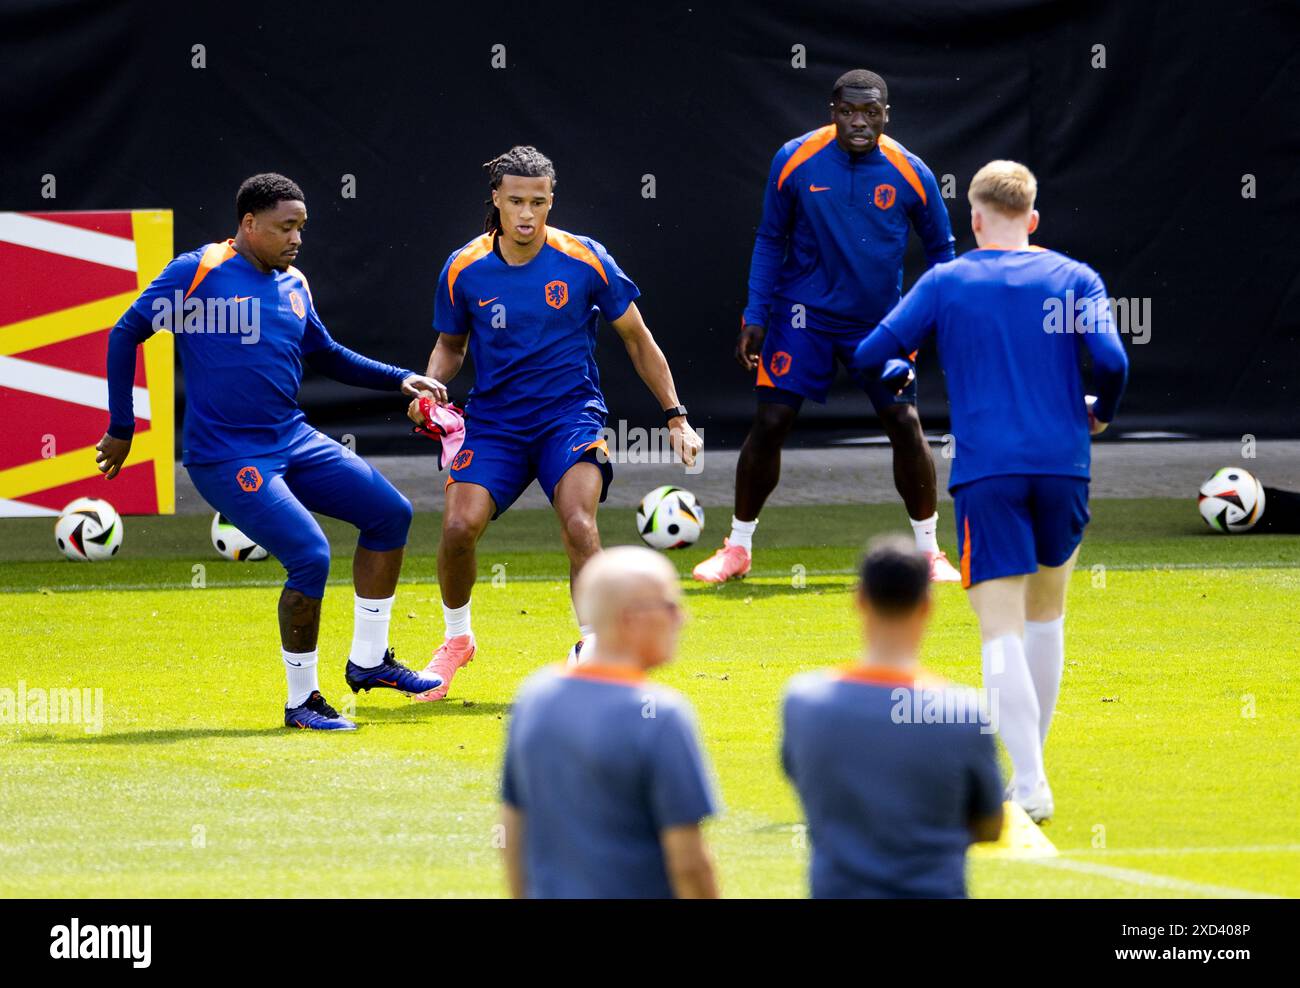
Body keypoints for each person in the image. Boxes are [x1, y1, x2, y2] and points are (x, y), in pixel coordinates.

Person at [96, 173, 445, 730]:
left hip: (293, 439)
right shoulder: (198, 271)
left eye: (302, 228)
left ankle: (369, 660)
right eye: (287, 227)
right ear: (249, 224)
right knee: (310, 556)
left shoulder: (293, 283)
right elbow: (125, 332)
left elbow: (326, 353)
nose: (297, 238)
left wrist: (400, 378)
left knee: (391, 514)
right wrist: (121, 425)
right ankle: (301, 702)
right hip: (228, 456)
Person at [852, 160, 1130, 821]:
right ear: (1032, 220)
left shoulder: (947, 280)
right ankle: (1029, 774)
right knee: (1047, 616)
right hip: (1065, 463)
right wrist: (1102, 411)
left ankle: (1030, 783)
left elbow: (870, 355)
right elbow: (1114, 361)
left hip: (989, 468)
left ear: (974, 219)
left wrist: (896, 373)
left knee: (999, 627)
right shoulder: (1074, 277)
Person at [407, 146, 703, 699]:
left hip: (571, 416)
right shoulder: (463, 267)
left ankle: (591, 647)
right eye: (515, 200)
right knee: (456, 529)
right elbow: (451, 345)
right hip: (494, 423)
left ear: (551, 202)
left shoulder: (585, 259)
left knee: (579, 524)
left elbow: (638, 339)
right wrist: (431, 388)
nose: (526, 213)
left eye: (538, 202)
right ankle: (456, 640)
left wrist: (675, 416)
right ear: (495, 200)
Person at [693, 68, 959, 586]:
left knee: (904, 424)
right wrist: (756, 315)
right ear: (832, 110)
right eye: (848, 111)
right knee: (770, 422)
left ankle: (929, 552)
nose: (859, 122)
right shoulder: (794, 158)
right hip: (802, 316)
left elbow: (942, 252)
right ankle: (737, 549)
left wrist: (926, 317)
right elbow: (770, 239)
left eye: (871, 112)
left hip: (880, 325)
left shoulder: (911, 171)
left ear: (887, 114)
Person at [782, 536, 1004, 898]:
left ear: (860, 600)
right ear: (927, 605)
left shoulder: (804, 703)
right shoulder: (963, 713)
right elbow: (991, 825)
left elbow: (804, 784)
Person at [499, 546, 720, 898]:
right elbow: (689, 863)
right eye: (670, 606)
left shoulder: (535, 698)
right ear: (631, 618)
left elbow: (511, 830)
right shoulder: (661, 715)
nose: (682, 618)